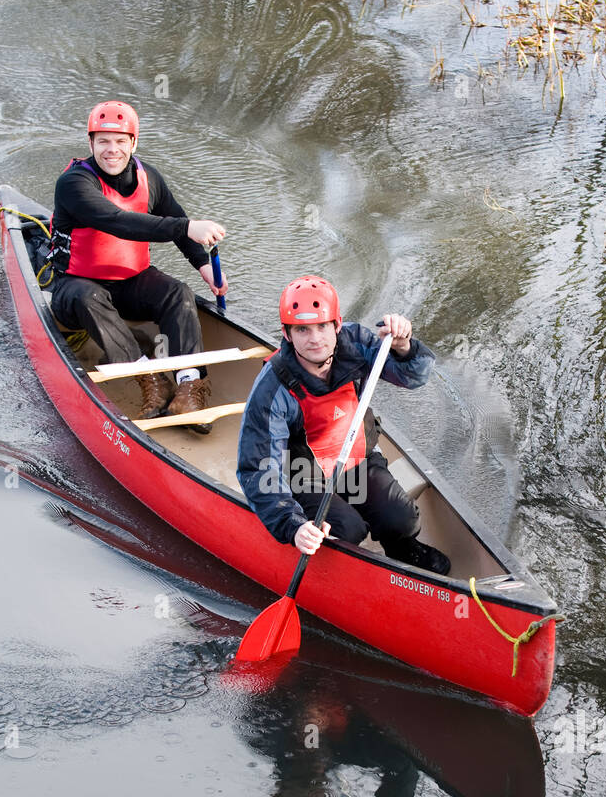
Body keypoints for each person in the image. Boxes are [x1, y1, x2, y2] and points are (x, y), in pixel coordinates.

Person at [236, 275, 451, 573]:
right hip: (305, 476)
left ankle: (401, 549)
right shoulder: (272, 387)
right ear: (287, 334)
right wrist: (293, 526)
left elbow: (413, 376)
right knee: (349, 532)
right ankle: (338, 566)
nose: (315, 339)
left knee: (403, 518)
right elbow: (257, 468)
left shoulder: (357, 344)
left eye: (323, 326)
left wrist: (403, 346)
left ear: (337, 325)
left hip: (357, 461)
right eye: (302, 329)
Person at [49, 101, 227, 432]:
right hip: (75, 286)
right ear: (90, 144)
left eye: (120, 141)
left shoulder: (150, 178)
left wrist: (203, 264)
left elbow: (175, 216)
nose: (111, 150)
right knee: (87, 296)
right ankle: (151, 378)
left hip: (131, 282)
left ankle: (190, 386)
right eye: (102, 141)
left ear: (134, 143)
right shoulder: (74, 184)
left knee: (178, 293)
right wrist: (185, 228)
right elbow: (118, 222)